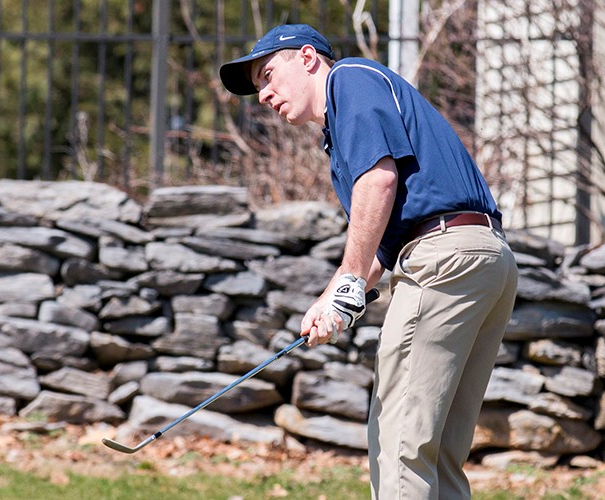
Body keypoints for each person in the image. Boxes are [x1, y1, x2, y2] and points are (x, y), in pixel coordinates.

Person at [219, 24, 518, 499]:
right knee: (435, 450)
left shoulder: (349, 80)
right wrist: (332, 299)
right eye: (259, 87)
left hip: (444, 260)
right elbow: (383, 242)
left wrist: (348, 278)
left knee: (398, 442)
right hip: (484, 259)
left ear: (308, 58)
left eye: (269, 75)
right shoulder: (346, 121)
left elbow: (377, 183)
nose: (264, 95)